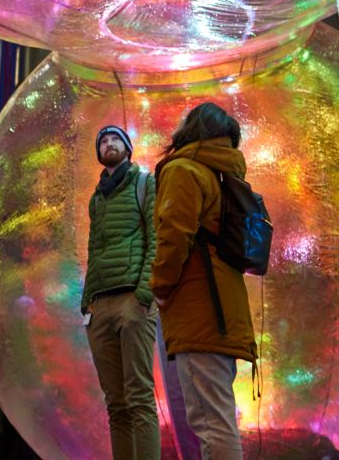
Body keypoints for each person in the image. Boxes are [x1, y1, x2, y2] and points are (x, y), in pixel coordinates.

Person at [152, 102, 255, 460]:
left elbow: (174, 236)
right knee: (218, 418)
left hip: (198, 311)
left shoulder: (184, 170)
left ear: (191, 129)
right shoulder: (224, 175)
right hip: (223, 311)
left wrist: (160, 288)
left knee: (211, 423)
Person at [81, 125, 161, 460]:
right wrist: (87, 304)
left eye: (115, 139)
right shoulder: (97, 199)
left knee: (139, 397)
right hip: (100, 306)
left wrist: (144, 293)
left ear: (127, 149)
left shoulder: (144, 183)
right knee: (116, 404)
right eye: (103, 141)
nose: (109, 143)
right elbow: (93, 248)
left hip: (132, 300)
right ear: (99, 153)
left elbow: (156, 236)